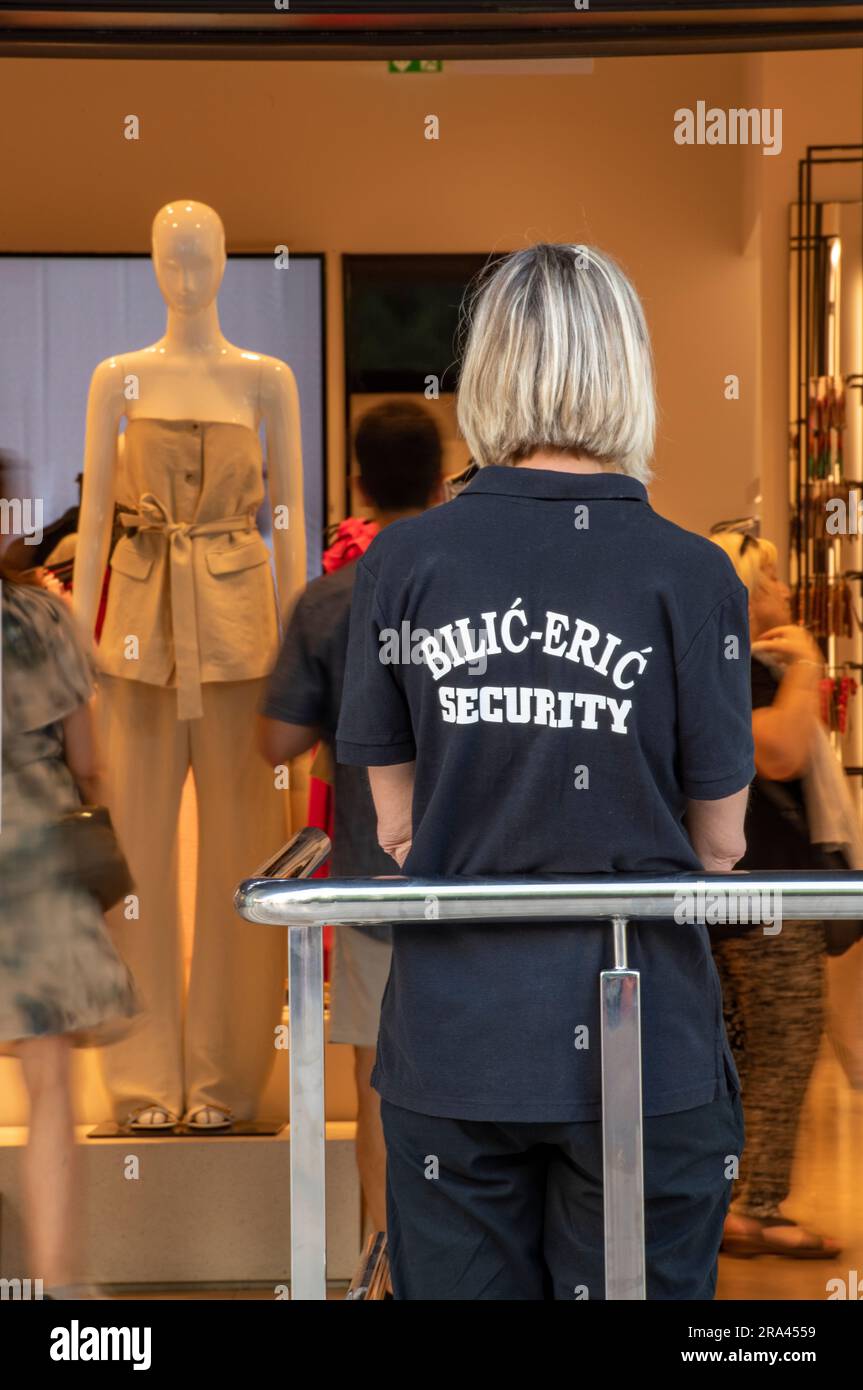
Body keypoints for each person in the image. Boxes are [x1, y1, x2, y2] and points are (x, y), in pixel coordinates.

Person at [336, 242, 756, 1301]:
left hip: (452, 1046)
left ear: (488, 369)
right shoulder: (692, 574)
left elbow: (394, 825)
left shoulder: (399, 564)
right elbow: (720, 845)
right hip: (644, 1048)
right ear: (625, 369)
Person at [258, 400, 444, 1234]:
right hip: (481, 874)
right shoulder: (470, 586)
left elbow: (275, 738)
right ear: (443, 480)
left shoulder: (328, 601)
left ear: (359, 483)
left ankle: (383, 1259)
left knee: (379, 1085)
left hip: (374, 880)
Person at [0, 454, 139, 1298]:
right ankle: (60, 1285)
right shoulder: (44, 620)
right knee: (50, 1085)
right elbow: (89, 762)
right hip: (39, 863)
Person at [710, 530, 848, 1259]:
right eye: (773, 582)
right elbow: (782, 750)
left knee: (753, 1045)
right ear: (746, 591)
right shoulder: (743, 667)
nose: (788, 593)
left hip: (742, 887)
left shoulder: (733, 663)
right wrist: (809, 665)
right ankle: (753, 1204)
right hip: (760, 891)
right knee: (785, 1041)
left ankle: (738, 1198)